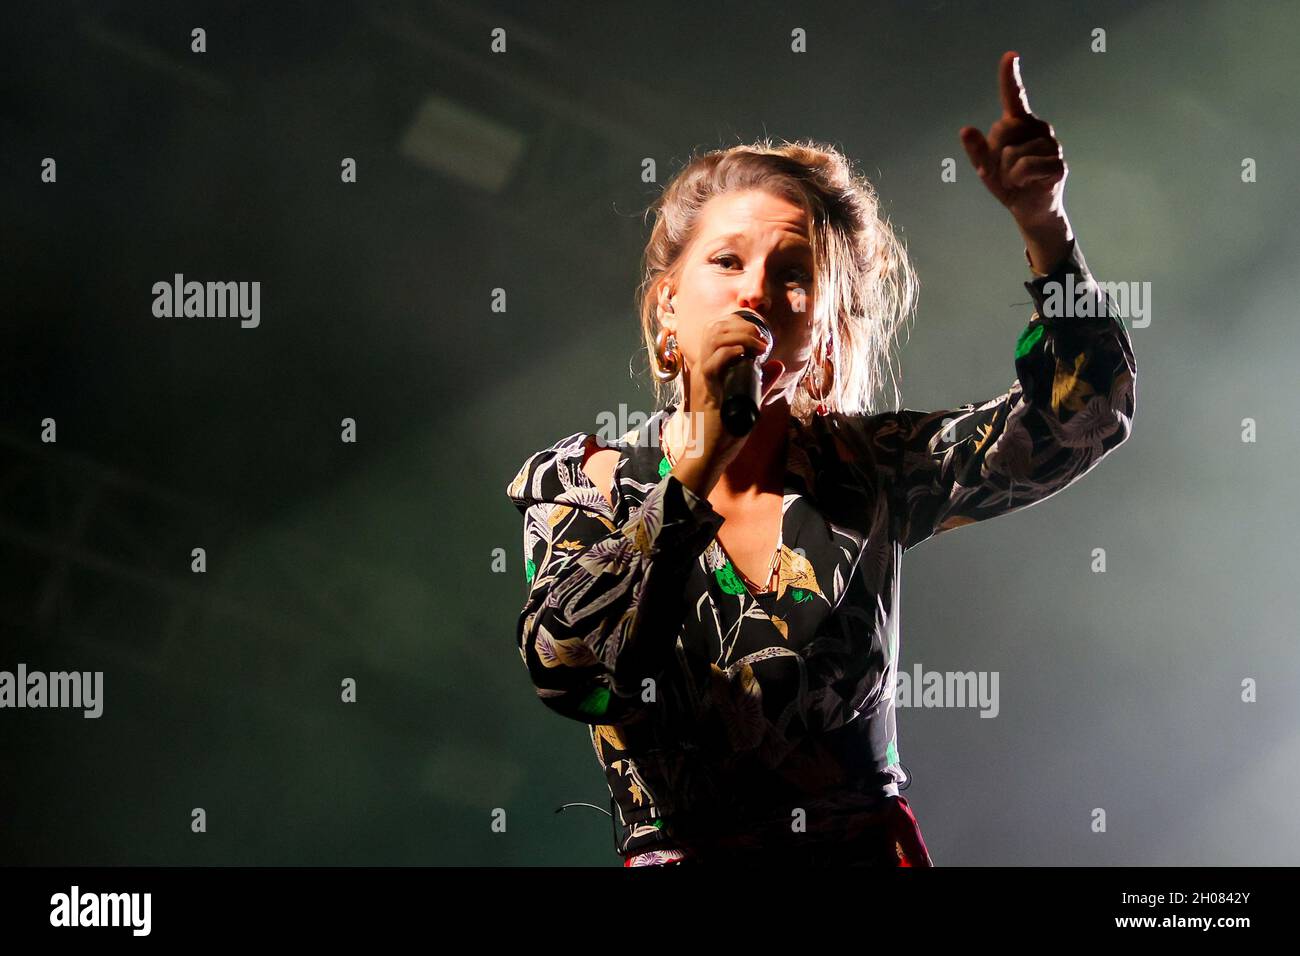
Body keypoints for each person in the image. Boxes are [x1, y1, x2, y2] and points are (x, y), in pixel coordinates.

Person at [505, 51, 1136, 866]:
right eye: (727, 261)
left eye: (794, 274)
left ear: (827, 336)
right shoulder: (580, 484)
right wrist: (693, 465)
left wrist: (1047, 230)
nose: (758, 290)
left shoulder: (869, 468)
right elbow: (574, 675)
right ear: (669, 307)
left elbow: (1083, 419)